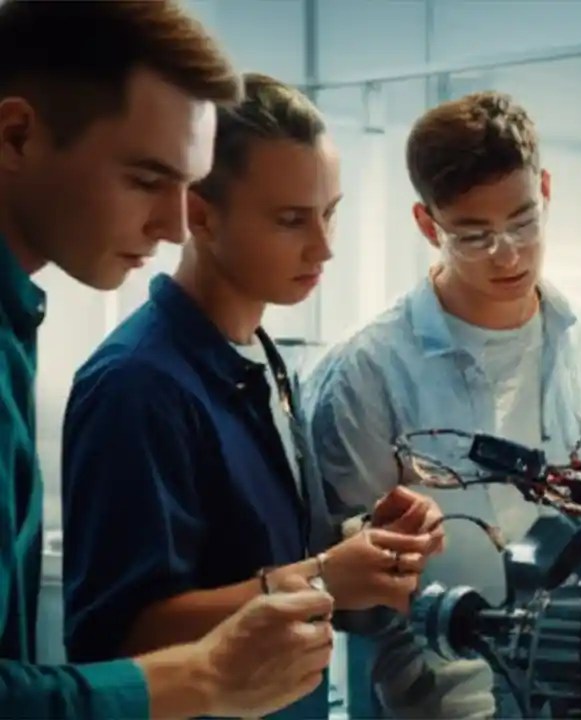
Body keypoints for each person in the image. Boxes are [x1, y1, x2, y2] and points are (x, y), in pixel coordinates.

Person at [58, 73, 445, 719]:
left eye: (331, 212)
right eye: (292, 220)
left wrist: (367, 549)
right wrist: (322, 575)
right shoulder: (137, 386)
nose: (324, 246)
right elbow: (113, 641)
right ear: (201, 213)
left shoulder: (264, 358)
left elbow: (264, 562)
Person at [0, 2, 334, 717]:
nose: (179, 225)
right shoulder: (134, 380)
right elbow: (110, 634)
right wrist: (206, 676)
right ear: (17, 135)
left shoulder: (15, 326)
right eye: (148, 180)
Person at [302, 90, 581, 718]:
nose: (508, 253)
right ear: (428, 225)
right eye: (474, 235)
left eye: (524, 222)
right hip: (440, 698)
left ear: (546, 189)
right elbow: (349, 601)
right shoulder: (369, 372)